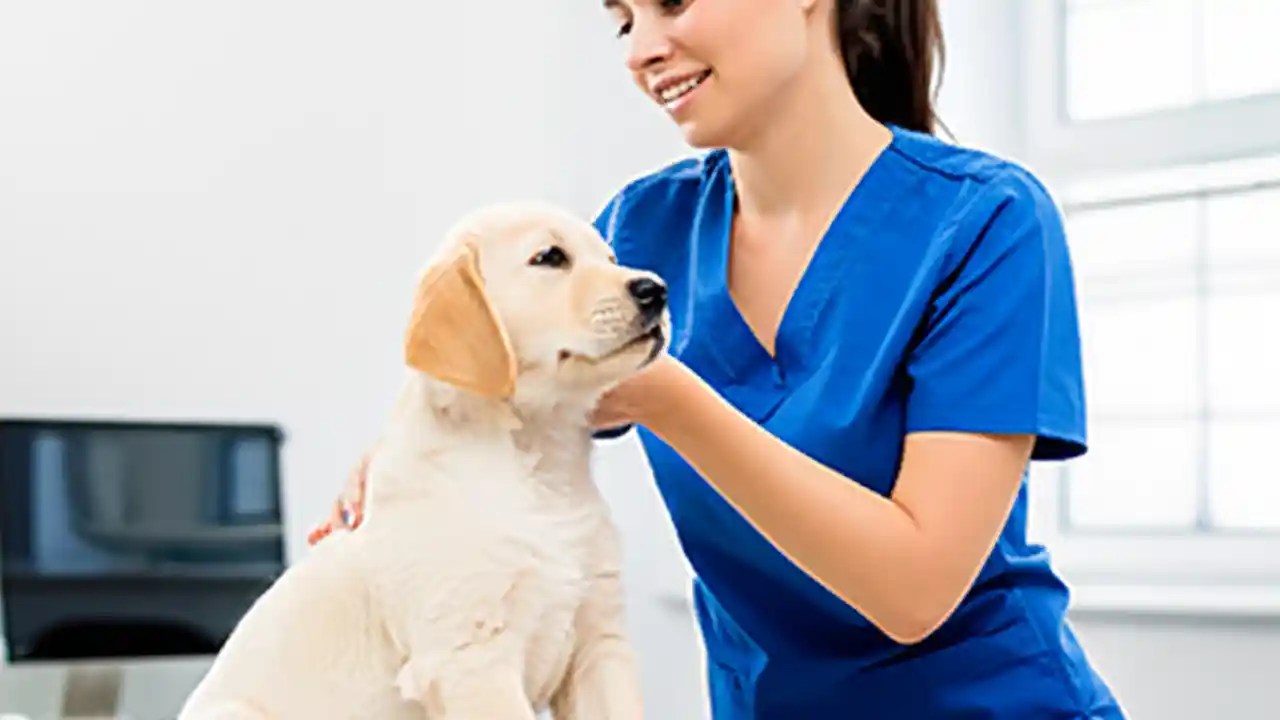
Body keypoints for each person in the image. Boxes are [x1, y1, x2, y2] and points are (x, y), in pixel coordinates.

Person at [311, 0, 1125, 717]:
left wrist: (672, 399)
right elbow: (507, 395)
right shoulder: (638, 232)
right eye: (623, 19)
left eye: (671, 3)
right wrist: (414, 454)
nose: (639, 50)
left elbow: (914, 591)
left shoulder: (986, 222)